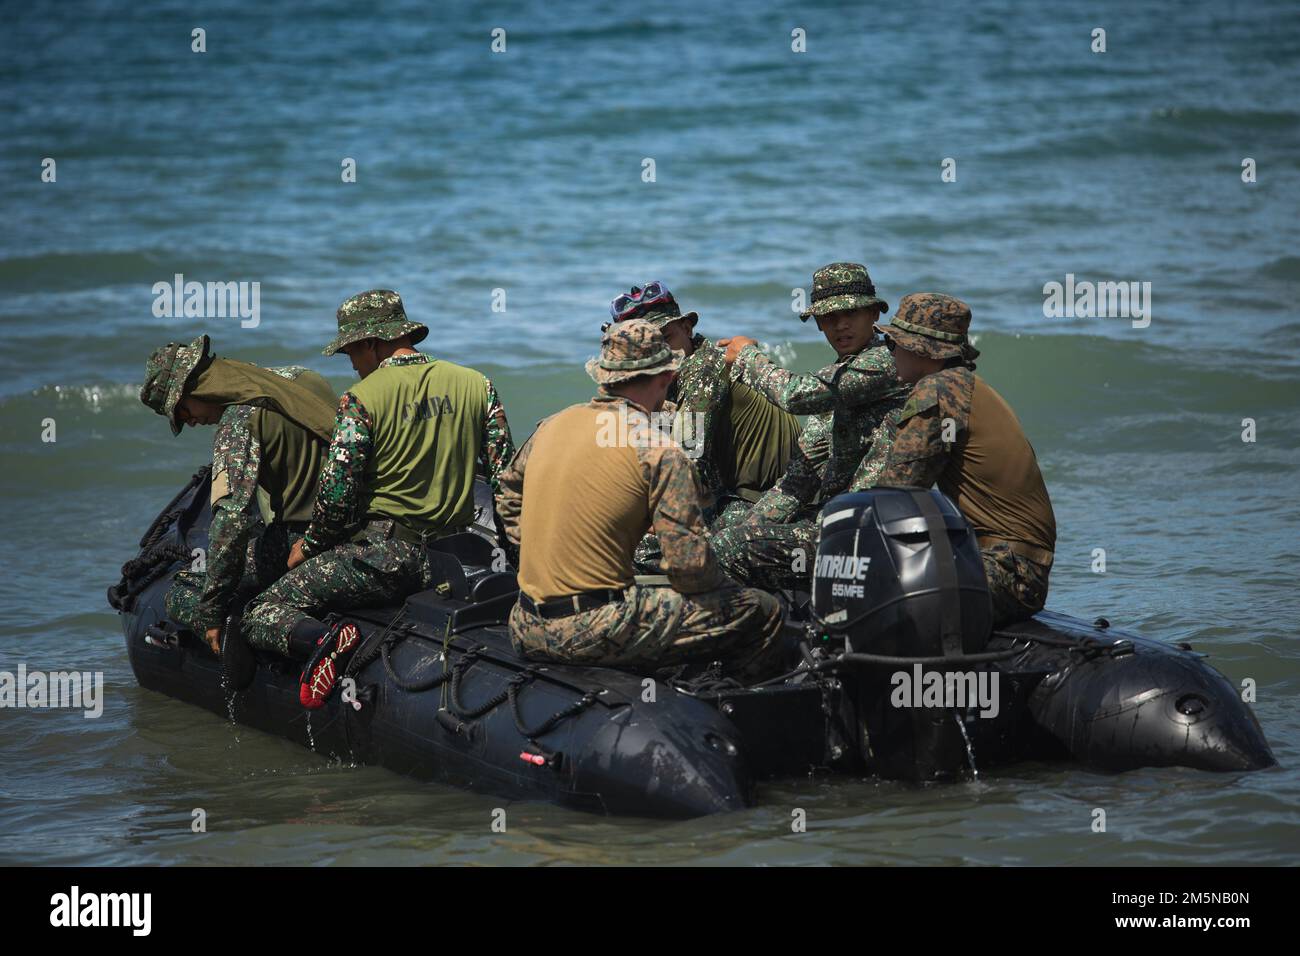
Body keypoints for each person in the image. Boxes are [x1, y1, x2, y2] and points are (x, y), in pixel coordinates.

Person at [241, 290, 516, 708]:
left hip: (388, 559)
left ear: (372, 342)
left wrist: (309, 547)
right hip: (458, 558)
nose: (351, 363)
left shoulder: (363, 398)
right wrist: (518, 559)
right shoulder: (478, 384)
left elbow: (336, 496)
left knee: (262, 610)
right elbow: (507, 484)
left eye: (352, 351)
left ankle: (327, 640)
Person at [495, 319, 788, 682]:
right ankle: (727, 706)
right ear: (665, 379)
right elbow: (689, 570)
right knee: (762, 609)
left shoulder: (551, 426)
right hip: (594, 627)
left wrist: (534, 552)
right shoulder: (658, 451)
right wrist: (727, 588)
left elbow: (507, 494)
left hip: (524, 623)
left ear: (603, 377)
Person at [709, 262, 910, 592]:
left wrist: (746, 357)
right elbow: (801, 478)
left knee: (729, 547)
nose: (840, 325)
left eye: (852, 313)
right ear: (817, 323)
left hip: (870, 531)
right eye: (829, 317)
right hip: (834, 521)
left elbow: (795, 396)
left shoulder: (885, 361)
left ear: (874, 314)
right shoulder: (840, 373)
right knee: (723, 527)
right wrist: (749, 526)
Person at [139, 335, 336, 654]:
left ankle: (252, 641)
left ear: (196, 389)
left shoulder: (239, 421)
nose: (190, 423)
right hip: (352, 528)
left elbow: (230, 527)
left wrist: (211, 612)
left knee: (183, 589)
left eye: (183, 411)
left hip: (300, 539)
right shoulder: (304, 378)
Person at [874, 293, 1056, 626]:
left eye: (893, 343)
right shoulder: (969, 387)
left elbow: (893, 494)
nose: (891, 351)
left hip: (1005, 570)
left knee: (869, 585)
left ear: (921, 348)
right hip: (1016, 568)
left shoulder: (937, 390)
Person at [604, 282, 801, 528]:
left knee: (638, 544)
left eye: (666, 338)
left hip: (766, 499)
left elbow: (689, 465)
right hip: (741, 494)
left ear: (686, 328)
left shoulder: (702, 369)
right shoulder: (669, 380)